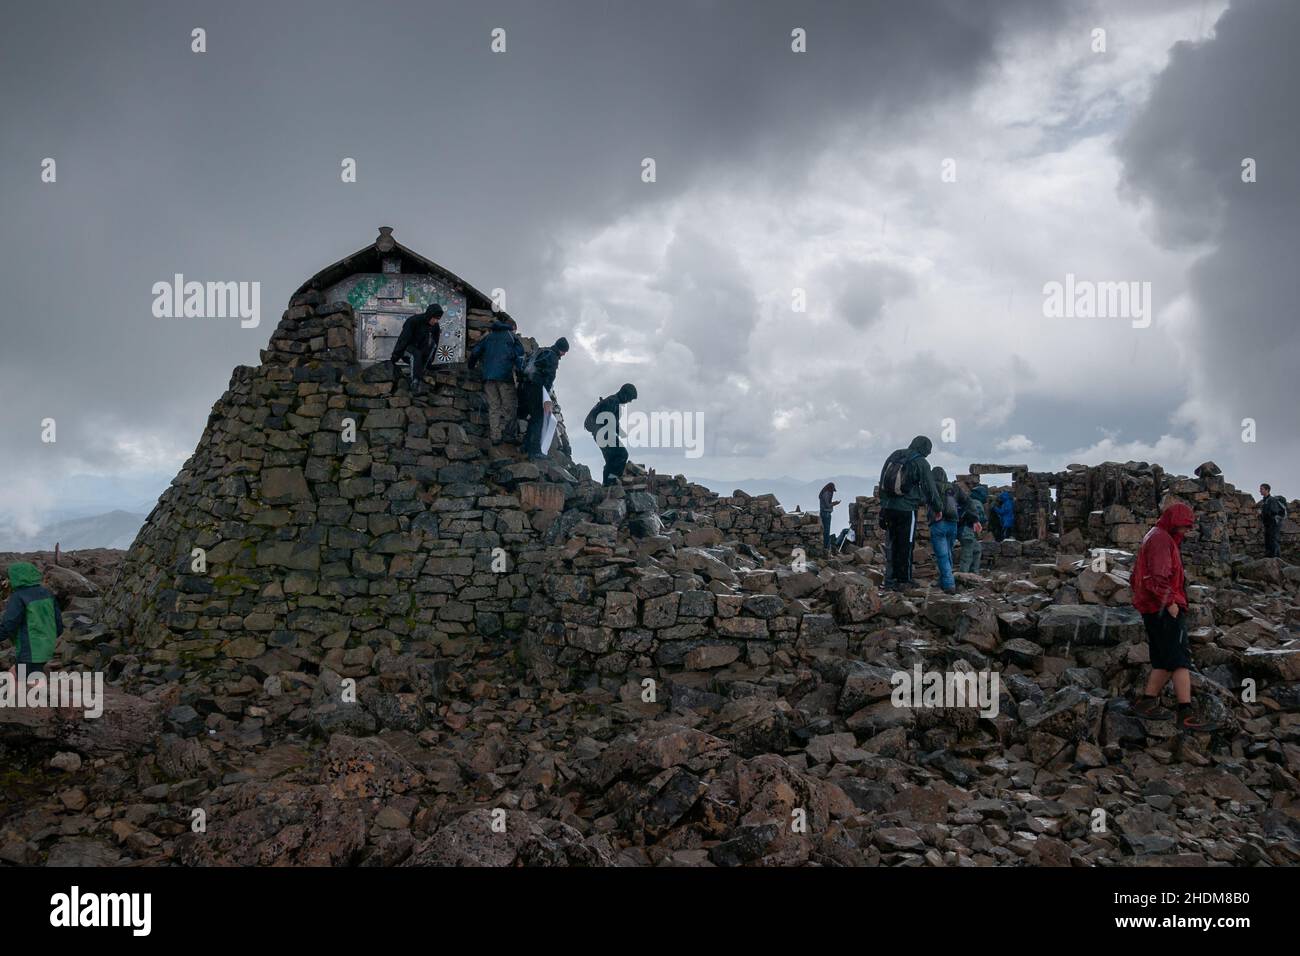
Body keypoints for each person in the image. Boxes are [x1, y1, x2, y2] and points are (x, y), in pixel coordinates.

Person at [1131, 502, 1208, 731]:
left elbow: (1137, 575)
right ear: (1174, 523)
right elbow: (1157, 577)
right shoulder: (1162, 540)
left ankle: (1146, 701)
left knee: (1164, 658)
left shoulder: (1156, 536)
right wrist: (1171, 603)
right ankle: (1185, 713)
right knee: (1180, 659)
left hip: (1153, 608)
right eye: (1184, 527)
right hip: (1163, 608)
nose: (1186, 531)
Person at [878, 436, 942, 592]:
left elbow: (882, 482)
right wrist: (938, 508)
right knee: (906, 544)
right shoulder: (921, 462)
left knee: (892, 543)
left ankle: (889, 580)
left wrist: (883, 506)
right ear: (925, 449)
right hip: (907, 509)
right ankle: (904, 580)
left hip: (889, 508)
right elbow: (929, 489)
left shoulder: (895, 455)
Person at [468, 312, 524, 443]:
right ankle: (510, 435)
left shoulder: (489, 337)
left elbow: (476, 351)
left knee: (494, 407)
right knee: (509, 407)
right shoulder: (511, 337)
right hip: (504, 377)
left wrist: (471, 365)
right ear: (512, 327)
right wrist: (520, 373)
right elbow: (519, 356)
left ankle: (495, 437)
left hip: (488, 377)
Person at [0, 562, 63, 679]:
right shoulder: (47, 593)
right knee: (17, 671)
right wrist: (50, 637)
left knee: (23, 679)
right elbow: (58, 623)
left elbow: (9, 624)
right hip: (47, 646)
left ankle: (36, 695)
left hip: (30, 649)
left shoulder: (18, 596)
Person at [520, 337, 569, 460]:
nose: (564, 354)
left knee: (532, 416)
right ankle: (534, 450)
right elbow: (549, 377)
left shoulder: (543, 351)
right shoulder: (552, 357)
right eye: (564, 351)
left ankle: (525, 446)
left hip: (526, 386)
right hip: (536, 388)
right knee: (538, 418)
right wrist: (545, 394)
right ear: (560, 349)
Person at [584, 383, 638, 485]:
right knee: (622, 455)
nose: (629, 401)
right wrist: (617, 432)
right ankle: (611, 481)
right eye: (630, 398)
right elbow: (608, 422)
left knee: (611, 460)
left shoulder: (614, 402)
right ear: (624, 394)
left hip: (601, 435)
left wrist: (621, 433)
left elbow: (612, 422)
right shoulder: (612, 402)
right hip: (603, 434)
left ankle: (607, 484)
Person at [929, 467, 966, 594]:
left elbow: (922, 500)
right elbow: (967, 501)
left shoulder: (932, 486)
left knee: (942, 555)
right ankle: (942, 580)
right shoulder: (954, 488)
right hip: (953, 524)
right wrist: (975, 519)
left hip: (938, 523)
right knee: (948, 553)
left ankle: (949, 584)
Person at [391, 303, 443, 393]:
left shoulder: (435, 326)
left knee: (431, 346)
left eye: (438, 319)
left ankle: (423, 371)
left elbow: (436, 343)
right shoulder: (413, 321)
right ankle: (415, 382)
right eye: (434, 318)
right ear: (429, 315)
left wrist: (431, 360)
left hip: (422, 351)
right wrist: (394, 358)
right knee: (416, 354)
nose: (435, 321)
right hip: (407, 350)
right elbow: (403, 340)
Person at [958, 484, 988, 574]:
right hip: (967, 531)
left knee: (976, 550)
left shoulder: (969, 501)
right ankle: (964, 576)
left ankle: (974, 573)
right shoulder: (977, 503)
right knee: (967, 555)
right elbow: (980, 517)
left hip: (964, 530)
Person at [1259, 483, 1287, 559]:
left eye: (1261, 489)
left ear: (1267, 490)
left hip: (1274, 523)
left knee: (1274, 540)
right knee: (1268, 540)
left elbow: (1274, 511)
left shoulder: (1271, 500)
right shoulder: (1265, 501)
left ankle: (1276, 559)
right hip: (1268, 524)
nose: (1260, 491)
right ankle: (1269, 558)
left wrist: (1265, 514)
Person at [818, 482, 841, 551]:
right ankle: (826, 547)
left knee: (825, 530)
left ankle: (826, 546)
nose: (832, 493)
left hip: (824, 513)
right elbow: (827, 505)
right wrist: (835, 503)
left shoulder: (824, 492)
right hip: (826, 513)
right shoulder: (827, 493)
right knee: (826, 531)